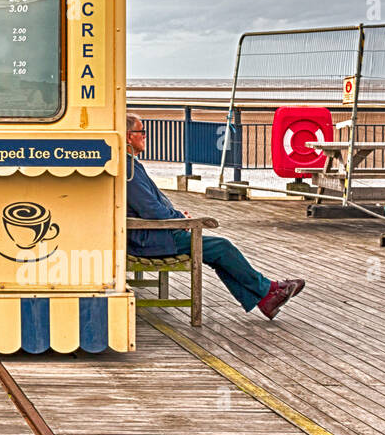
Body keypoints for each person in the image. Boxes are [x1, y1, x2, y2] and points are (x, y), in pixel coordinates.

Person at [126, 113, 305, 320]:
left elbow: (151, 207)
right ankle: (269, 292)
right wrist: (180, 220)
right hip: (151, 239)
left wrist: (176, 217)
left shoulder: (131, 165)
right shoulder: (129, 169)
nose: (146, 136)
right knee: (221, 248)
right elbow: (150, 210)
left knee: (218, 252)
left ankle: (267, 298)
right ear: (130, 136)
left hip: (153, 234)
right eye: (143, 132)